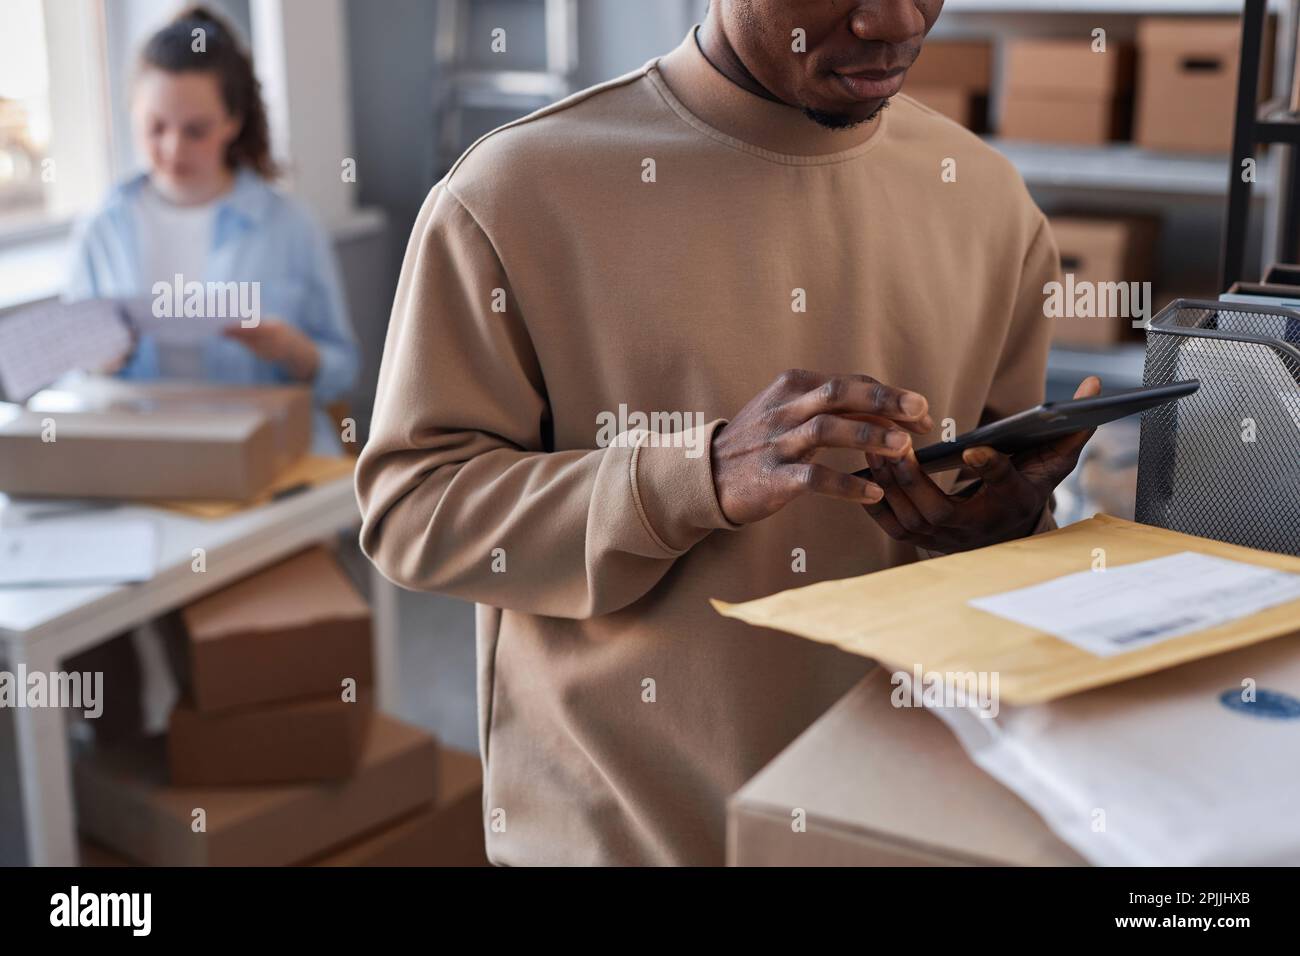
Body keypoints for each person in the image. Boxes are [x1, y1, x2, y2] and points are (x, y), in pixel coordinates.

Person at [357, 0, 1101, 865]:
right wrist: (688, 479)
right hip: (627, 842)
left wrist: (1003, 528)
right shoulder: (513, 193)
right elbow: (412, 512)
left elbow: (983, 501)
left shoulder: (986, 198)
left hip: (902, 829)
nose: (896, 19)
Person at [66, 4, 358, 453]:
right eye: (155, 128)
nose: (173, 148)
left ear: (232, 122)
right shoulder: (101, 231)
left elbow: (345, 367)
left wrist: (290, 349)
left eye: (195, 130)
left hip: (270, 454)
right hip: (142, 457)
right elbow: (75, 377)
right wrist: (99, 359)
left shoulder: (291, 226)